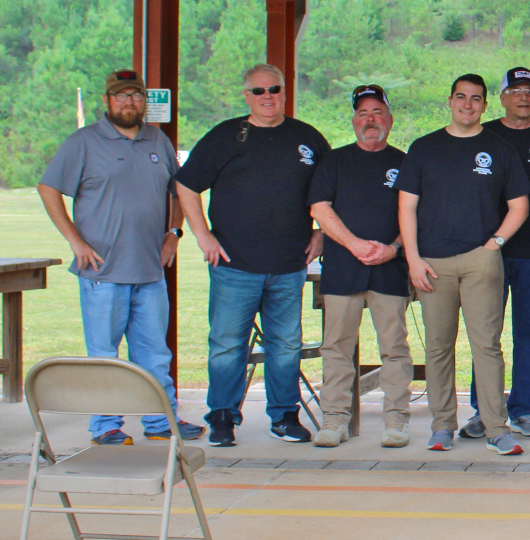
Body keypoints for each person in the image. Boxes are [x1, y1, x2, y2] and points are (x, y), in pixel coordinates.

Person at [38, 69, 202, 445]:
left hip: (149, 269)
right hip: (103, 270)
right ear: (107, 100)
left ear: (145, 101)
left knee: (155, 353)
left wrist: (174, 234)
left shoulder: (157, 140)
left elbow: (179, 190)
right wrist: (75, 241)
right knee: (104, 355)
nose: (129, 102)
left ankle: (162, 422)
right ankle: (106, 426)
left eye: (136, 96)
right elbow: (48, 189)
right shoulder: (84, 142)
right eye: (121, 96)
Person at [176, 63, 329, 447]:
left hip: (289, 264)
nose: (267, 97)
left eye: (273, 89)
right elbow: (185, 184)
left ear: (283, 92)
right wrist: (202, 234)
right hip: (234, 265)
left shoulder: (307, 137)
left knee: (286, 345)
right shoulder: (225, 136)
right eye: (258, 91)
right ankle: (223, 418)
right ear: (246, 96)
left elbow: (332, 189)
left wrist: (322, 233)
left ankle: (284, 416)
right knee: (228, 345)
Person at [396, 74, 530, 454]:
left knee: (486, 345)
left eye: (475, 99)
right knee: (438, 346)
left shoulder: (499, 149)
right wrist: (413, 259)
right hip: (432, 262)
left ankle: (495, 427)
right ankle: (442, 426)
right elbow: (406, 207)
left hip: (480, 261)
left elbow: (519, 206)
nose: (468, 104)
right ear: (450, 101)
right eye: (461, 97)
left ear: (486, 105)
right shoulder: (424, 148)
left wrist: (494, 245)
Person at [307, 85, 413, 449]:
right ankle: (334, 421)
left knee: (395, 348)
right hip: (342, 268)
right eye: (364, 113)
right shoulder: (334, 161)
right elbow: (320, 209)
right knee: (336, 348)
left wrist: (394, 248)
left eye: (378, 113)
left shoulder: (405, 162)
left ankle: (396, 421)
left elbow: (416, 214)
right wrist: (353, 244)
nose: (371, 120)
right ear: (354, 120)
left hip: (390, 269)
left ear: (390, 119)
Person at [460, 67, 530, 441]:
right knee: (485, 333)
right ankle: (481, 410)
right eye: (515, 90)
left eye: (529, 91)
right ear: (501, 98)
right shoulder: (483, 135)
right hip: (489, 253)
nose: (523, 97)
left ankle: (521, 409)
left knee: (529, 333)